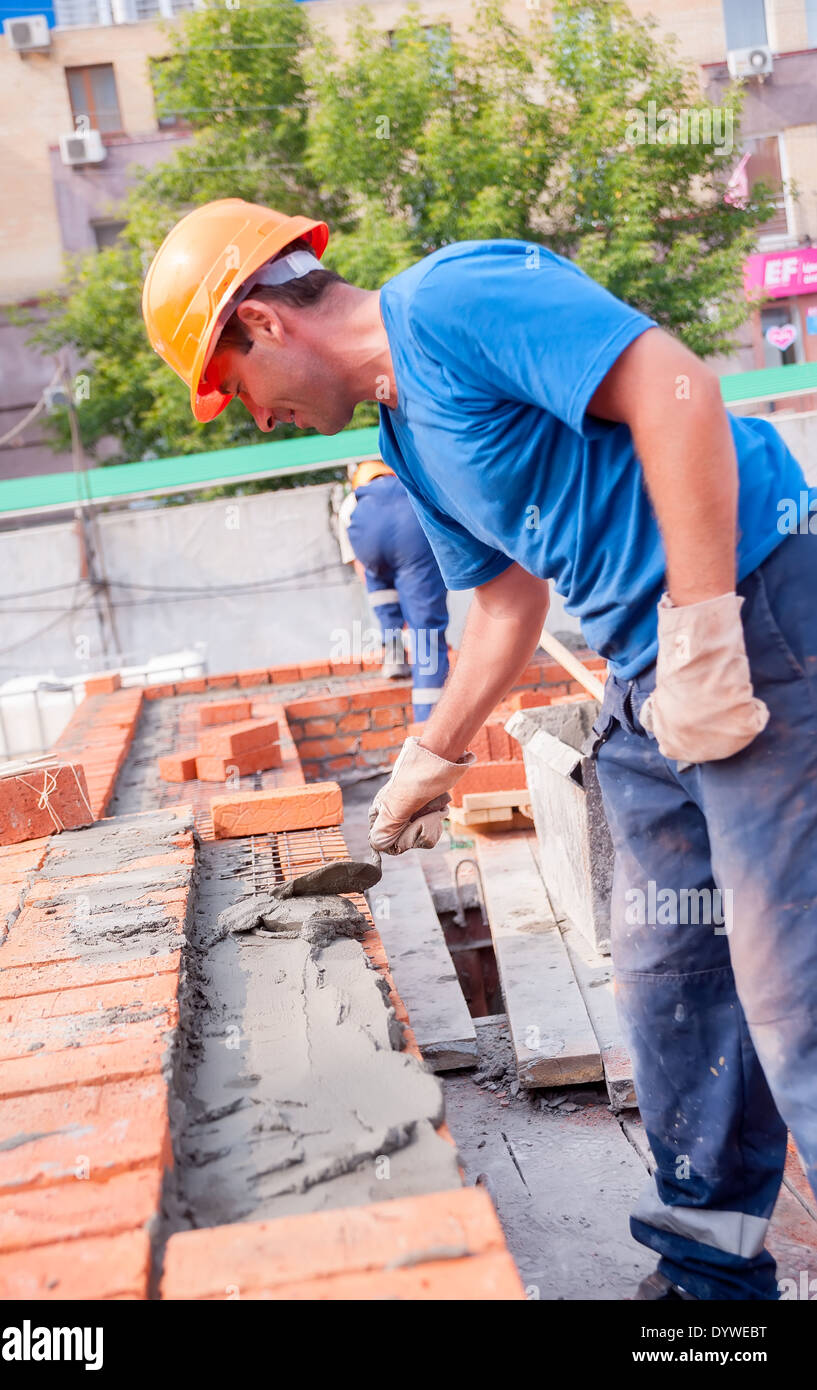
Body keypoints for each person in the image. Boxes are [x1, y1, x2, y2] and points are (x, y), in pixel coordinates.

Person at [143, 197, 817, 1301]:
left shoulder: (451, 301)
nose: (249, 418)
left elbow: (676, 387)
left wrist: (700, 623)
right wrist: (431, 754)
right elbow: (503, 606)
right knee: (672, 982)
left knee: (794, 998)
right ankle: (713, 1283)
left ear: (262, 323)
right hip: (649, 677)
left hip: (756, 612)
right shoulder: (401, 437)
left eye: (233, 391)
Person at [336, 457, 450, 717]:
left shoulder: (351, 503)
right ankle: (427, 715)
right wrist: (419, 610)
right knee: (426, 634)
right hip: (413, 529)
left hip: (370, 545)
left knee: (378, 583)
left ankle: (394, 654)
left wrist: (395, 614)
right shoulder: (410, 487)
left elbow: (361, 566)